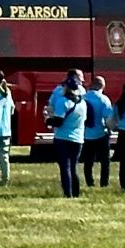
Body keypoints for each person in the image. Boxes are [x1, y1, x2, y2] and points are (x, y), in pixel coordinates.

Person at [46, 70, 88, 198]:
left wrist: (47, 120)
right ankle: (76, 193)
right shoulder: (82, 104)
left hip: (63, 137)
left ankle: (68, 193)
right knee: (74, 167)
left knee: (65, 168)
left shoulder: (63, 102)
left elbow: (58, 121)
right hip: (78, 139)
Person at [83, 74, 116, 188]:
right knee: (105, 161)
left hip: (86, 134)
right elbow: (108, 118)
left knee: (88, 161)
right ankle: (104, 183)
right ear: (102, 86)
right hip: (101, 133)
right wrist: (110, 129)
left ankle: (89, 182)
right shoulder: (103, 99)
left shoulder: (83, 97)